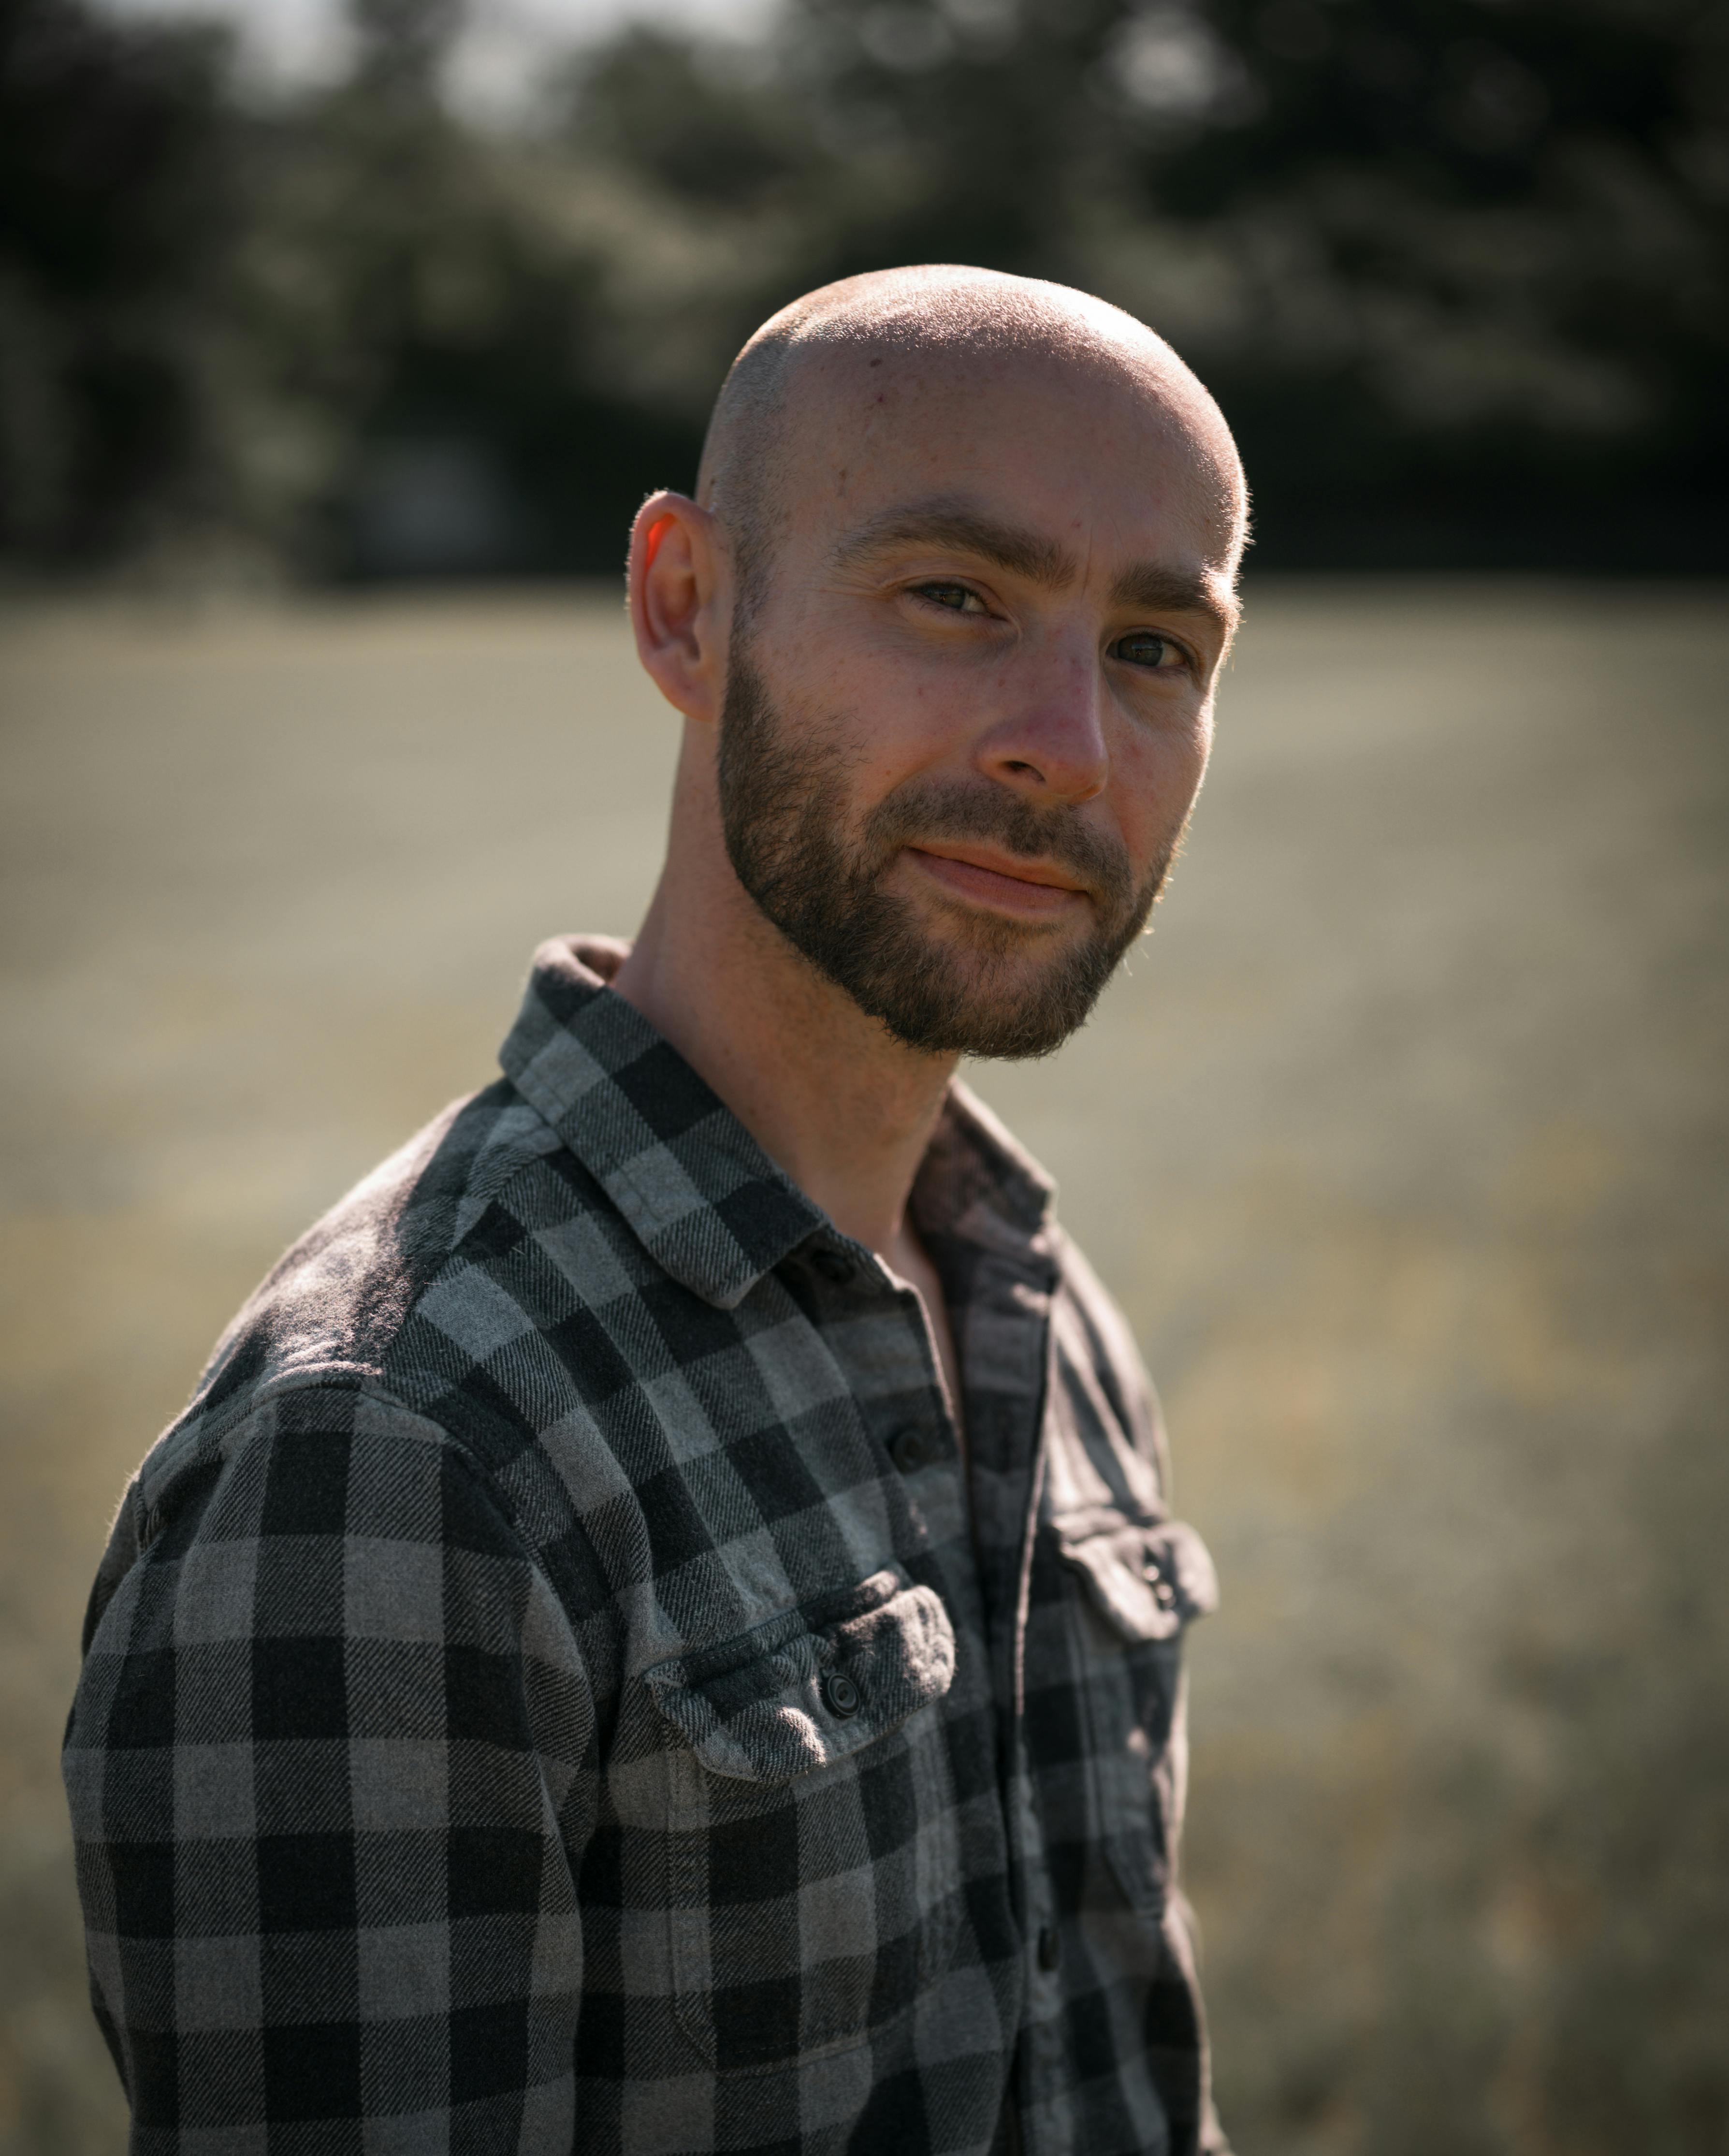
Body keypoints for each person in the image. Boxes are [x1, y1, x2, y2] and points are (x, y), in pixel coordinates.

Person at [64, 262, 1247, 2155]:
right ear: (685, 604)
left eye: (1156, 649)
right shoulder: (391, 1455)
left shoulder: (1029, 1296)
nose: (1069, 745)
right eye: (956, 595)